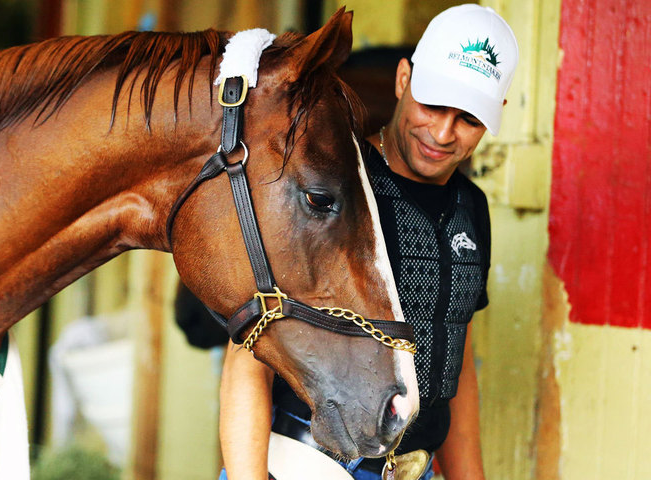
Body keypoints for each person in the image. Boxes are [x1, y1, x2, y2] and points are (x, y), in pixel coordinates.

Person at [218, 4, 518, 480]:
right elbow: (250, 356)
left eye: (468, 120)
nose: (442, 133)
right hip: (302, 467)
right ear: (404, 79)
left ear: (495, 116)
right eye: (433, 104)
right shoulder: (331, 186)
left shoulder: (471, 208)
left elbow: (457, 368)